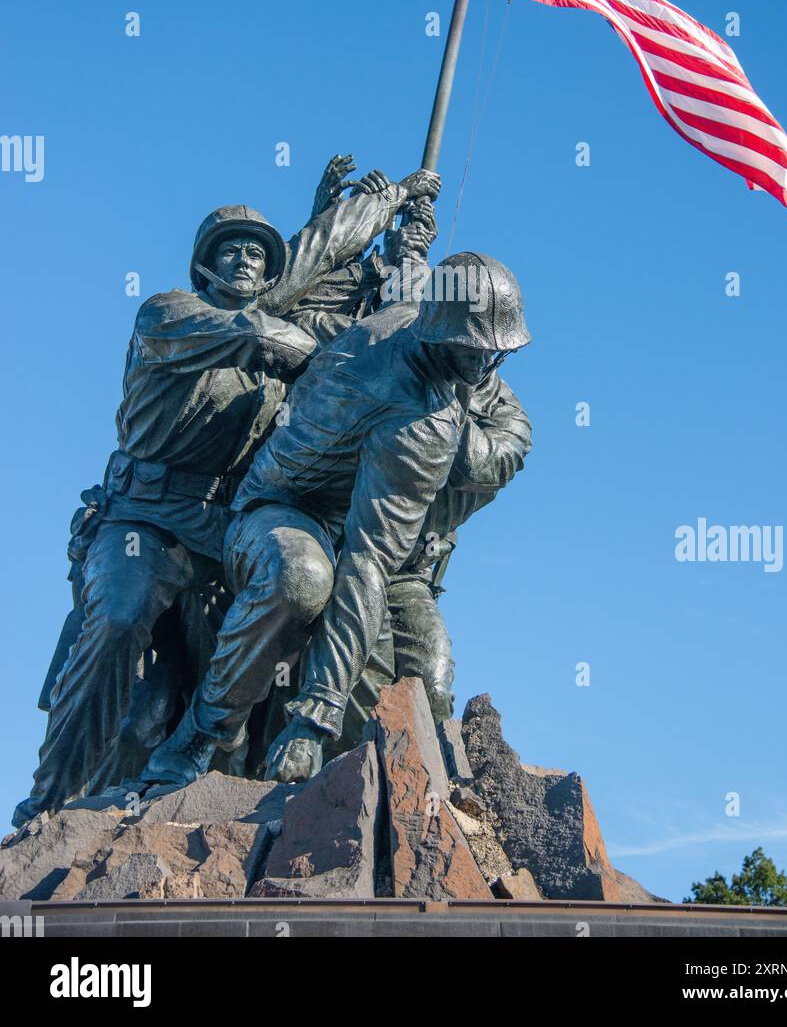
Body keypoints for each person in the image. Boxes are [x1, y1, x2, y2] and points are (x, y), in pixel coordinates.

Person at [12, 162, 440, 826]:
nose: (243, 259)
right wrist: (341, 350)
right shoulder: (170, 315)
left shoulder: (282, 320)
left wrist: (399, 241)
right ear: (204, 269)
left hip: (225, 529)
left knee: (281, 623)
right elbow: (261, 331)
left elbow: (376, 325)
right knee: (120, 617)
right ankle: (47, 803)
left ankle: (224, 790)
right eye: (229, 250)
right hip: (143, 522)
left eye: (258, 253)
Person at [139, 251, 531, 788]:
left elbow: (375, 558)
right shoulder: (421, 417)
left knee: (428, 682)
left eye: (497, 354)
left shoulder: (429, 360)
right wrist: (313, 718)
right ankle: (201, 737)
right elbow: (366, 563)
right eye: (475, 353)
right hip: (280, 511)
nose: (487, 368)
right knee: (302, 577)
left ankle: (410, 813)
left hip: (382, 552)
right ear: (439, 335)